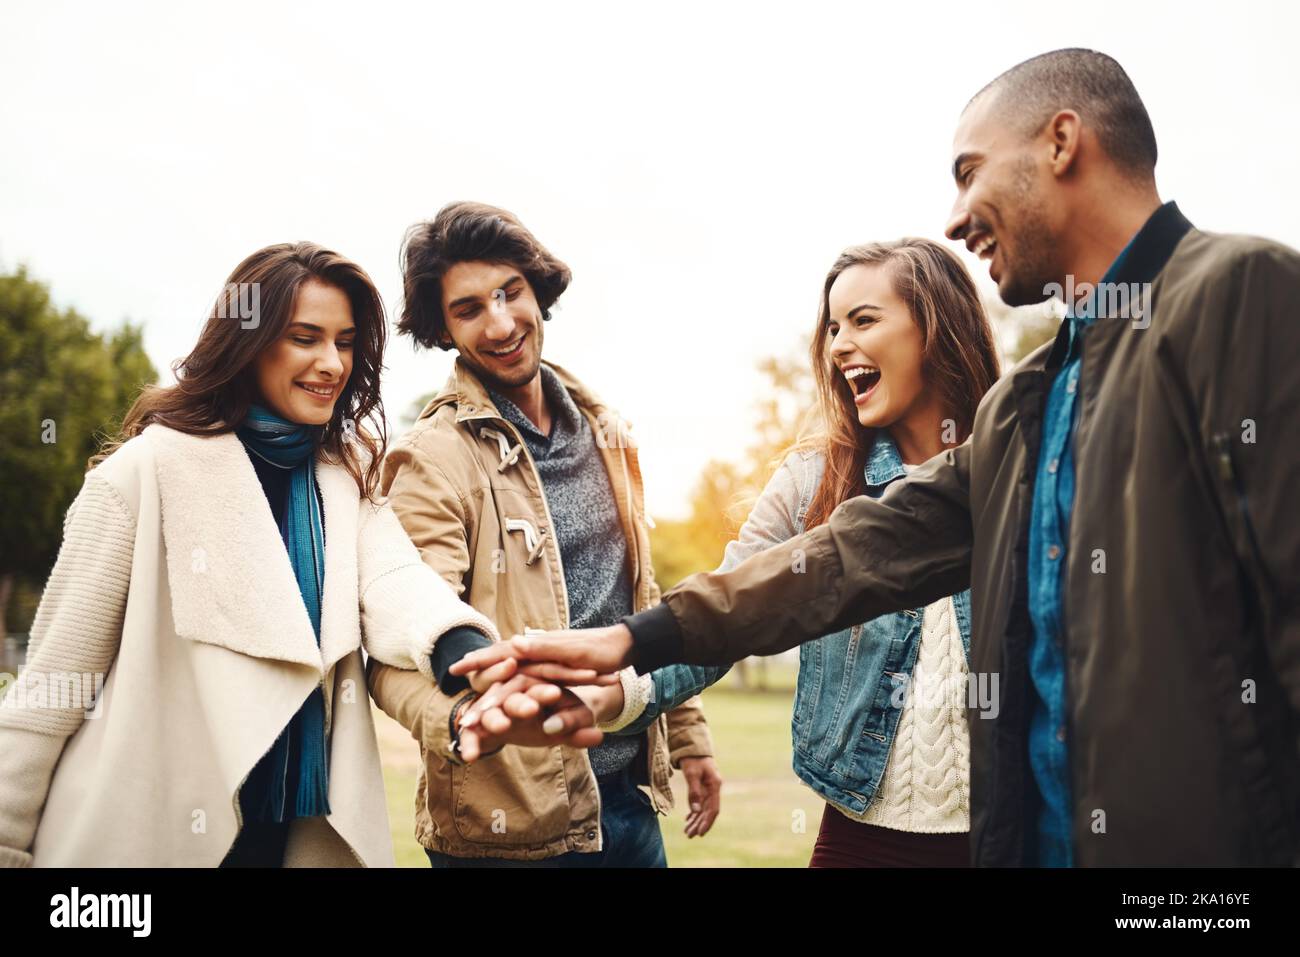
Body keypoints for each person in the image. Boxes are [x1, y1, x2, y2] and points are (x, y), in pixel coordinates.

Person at [454, 49, 1300, 867]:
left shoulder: (1238, 291)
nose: (956, 215)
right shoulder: (1030, 403)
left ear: (1062, 141)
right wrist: (635, 639)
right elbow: (852, 555)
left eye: (970, 172)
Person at [0, 241, 529, 867]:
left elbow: (394, 579)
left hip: (292, 838)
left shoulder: (345, 473)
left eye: (345, 341)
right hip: (147, 838)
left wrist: (463, 650)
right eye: (305, 337)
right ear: (247, 344)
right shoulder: (141, 474)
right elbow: (53, 687)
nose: (331, 363)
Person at [366, 202, 724, 867]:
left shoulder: (608, 431)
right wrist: (465, 720)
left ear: (538, 290)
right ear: (444, 329)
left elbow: (643, 599)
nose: (500, 322)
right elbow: (395, 648)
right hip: (508, 834)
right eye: (469, 309)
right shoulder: (431, 459)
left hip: (628, 806)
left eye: (510, 292)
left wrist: (688, 733)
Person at [706, 239, 999, 866]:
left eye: (864, 320)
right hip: (860, 839)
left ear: (936, 328)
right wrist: (617, 689)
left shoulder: (1026, 465)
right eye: (833, 327)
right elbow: (728, 602)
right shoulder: (815, 477)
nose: (838, 345)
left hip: (1016, 834)